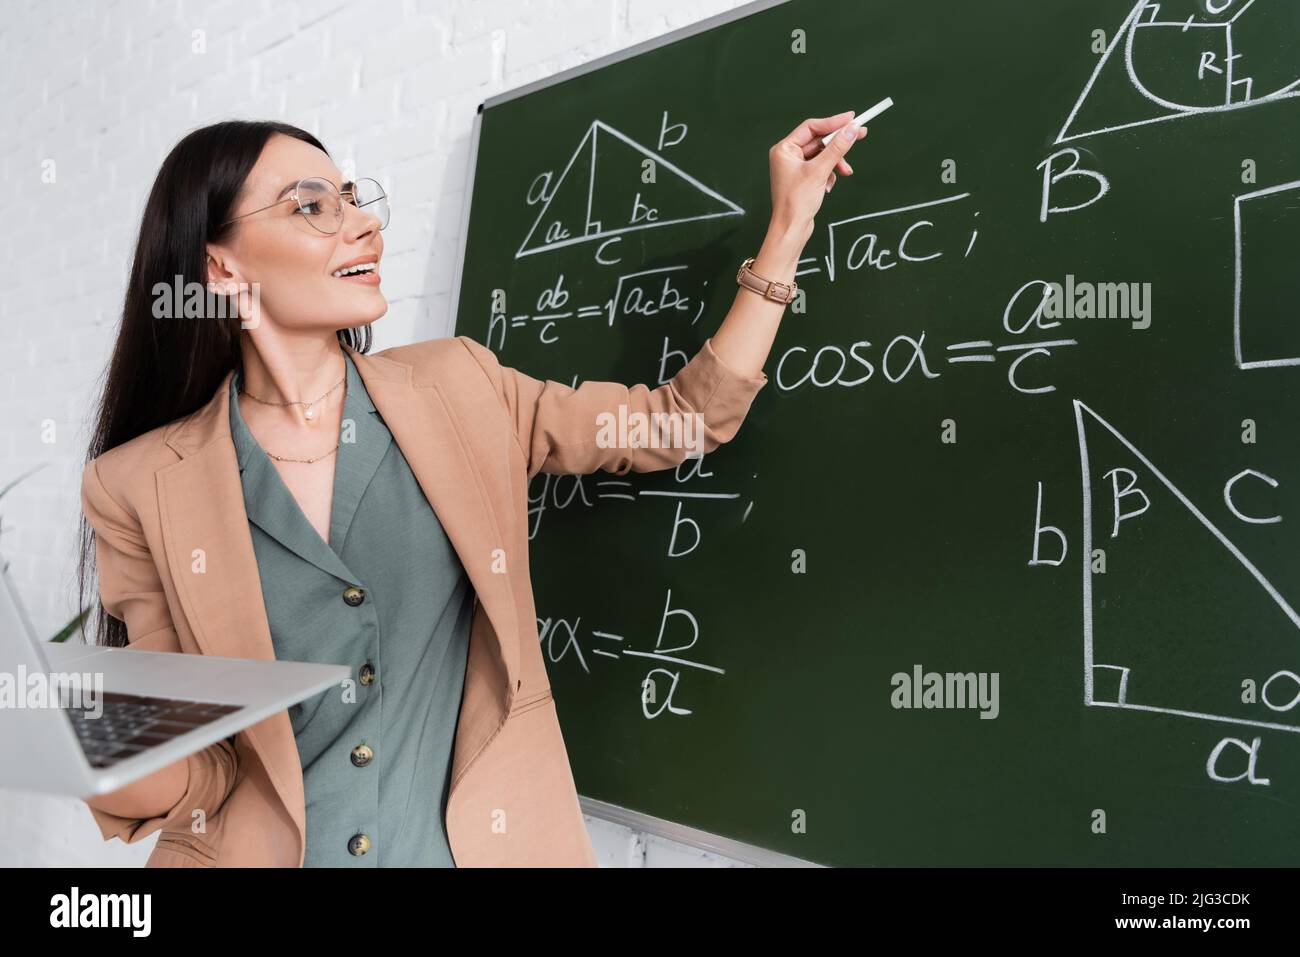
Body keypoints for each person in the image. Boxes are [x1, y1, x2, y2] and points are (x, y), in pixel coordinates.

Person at [75, 113, 867, 866]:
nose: (362, 224)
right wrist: (112, 756)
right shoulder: (136, 485)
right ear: (221, 267)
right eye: (310, 206)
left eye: (353, 198)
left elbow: (680, 422)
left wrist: (788, 228)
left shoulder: (461, 387)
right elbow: (205, 770)